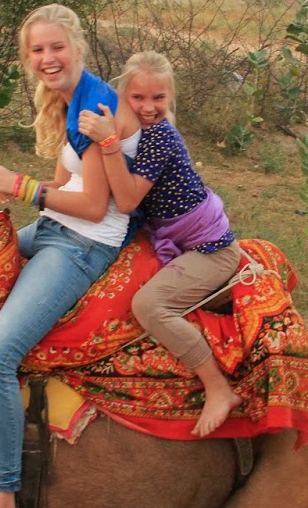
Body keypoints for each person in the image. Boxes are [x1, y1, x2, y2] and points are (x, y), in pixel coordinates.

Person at [0, 4, 139, 508]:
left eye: (56, 47)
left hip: (82, 245)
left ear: (78, 48)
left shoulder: (96, 107)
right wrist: (29, 191)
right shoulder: (70, 98)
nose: (47, 58)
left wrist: (19, 185)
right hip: (52, 228)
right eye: (37, 50)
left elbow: (93, 207)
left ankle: (4, 498)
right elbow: (64, 186)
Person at [78, 51, 246, 438]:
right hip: (171, 236)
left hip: (210, 251)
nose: (148, 107)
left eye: (158, 98)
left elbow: (127, 200)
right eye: (138, 97)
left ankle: (217, 386)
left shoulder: (159, 137)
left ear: (170, 97)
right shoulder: (133, 133)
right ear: (122, 95)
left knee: (148, 305)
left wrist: (107, 142)